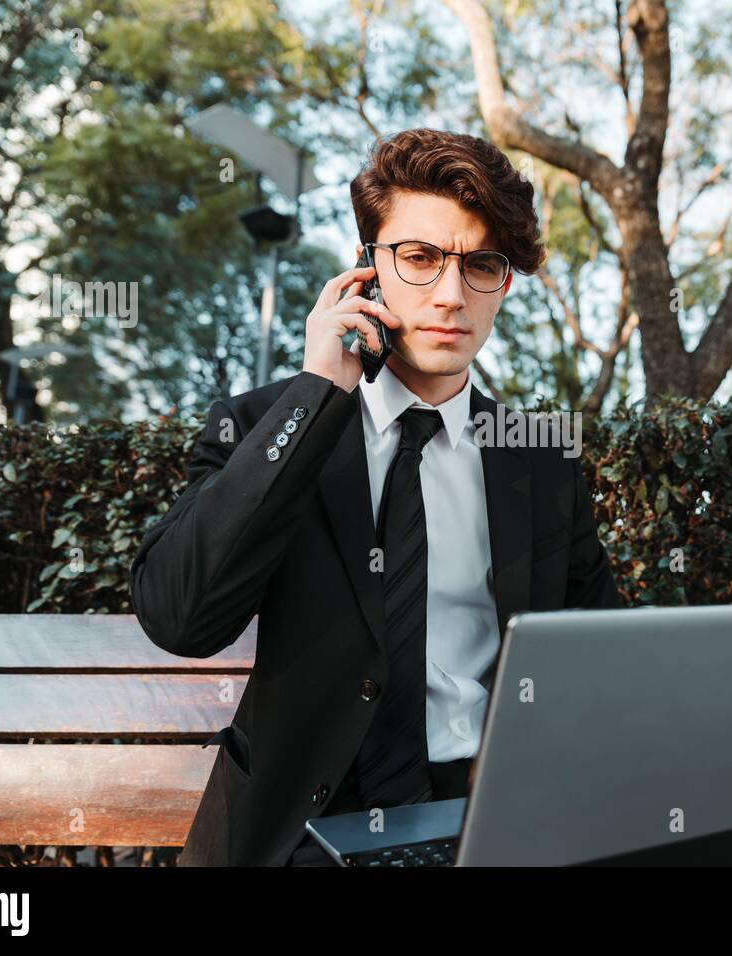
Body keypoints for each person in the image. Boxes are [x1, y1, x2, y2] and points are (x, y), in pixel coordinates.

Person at [130, 127, 624, 866]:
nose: (451, 296)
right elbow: (179, 617)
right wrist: (316, 395)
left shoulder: (540, 458)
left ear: (504, 283)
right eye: (420, 259)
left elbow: (596, 651)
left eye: (481, 265)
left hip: (485, 819)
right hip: (304, 833)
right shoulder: (266, 424)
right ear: (368, 269)